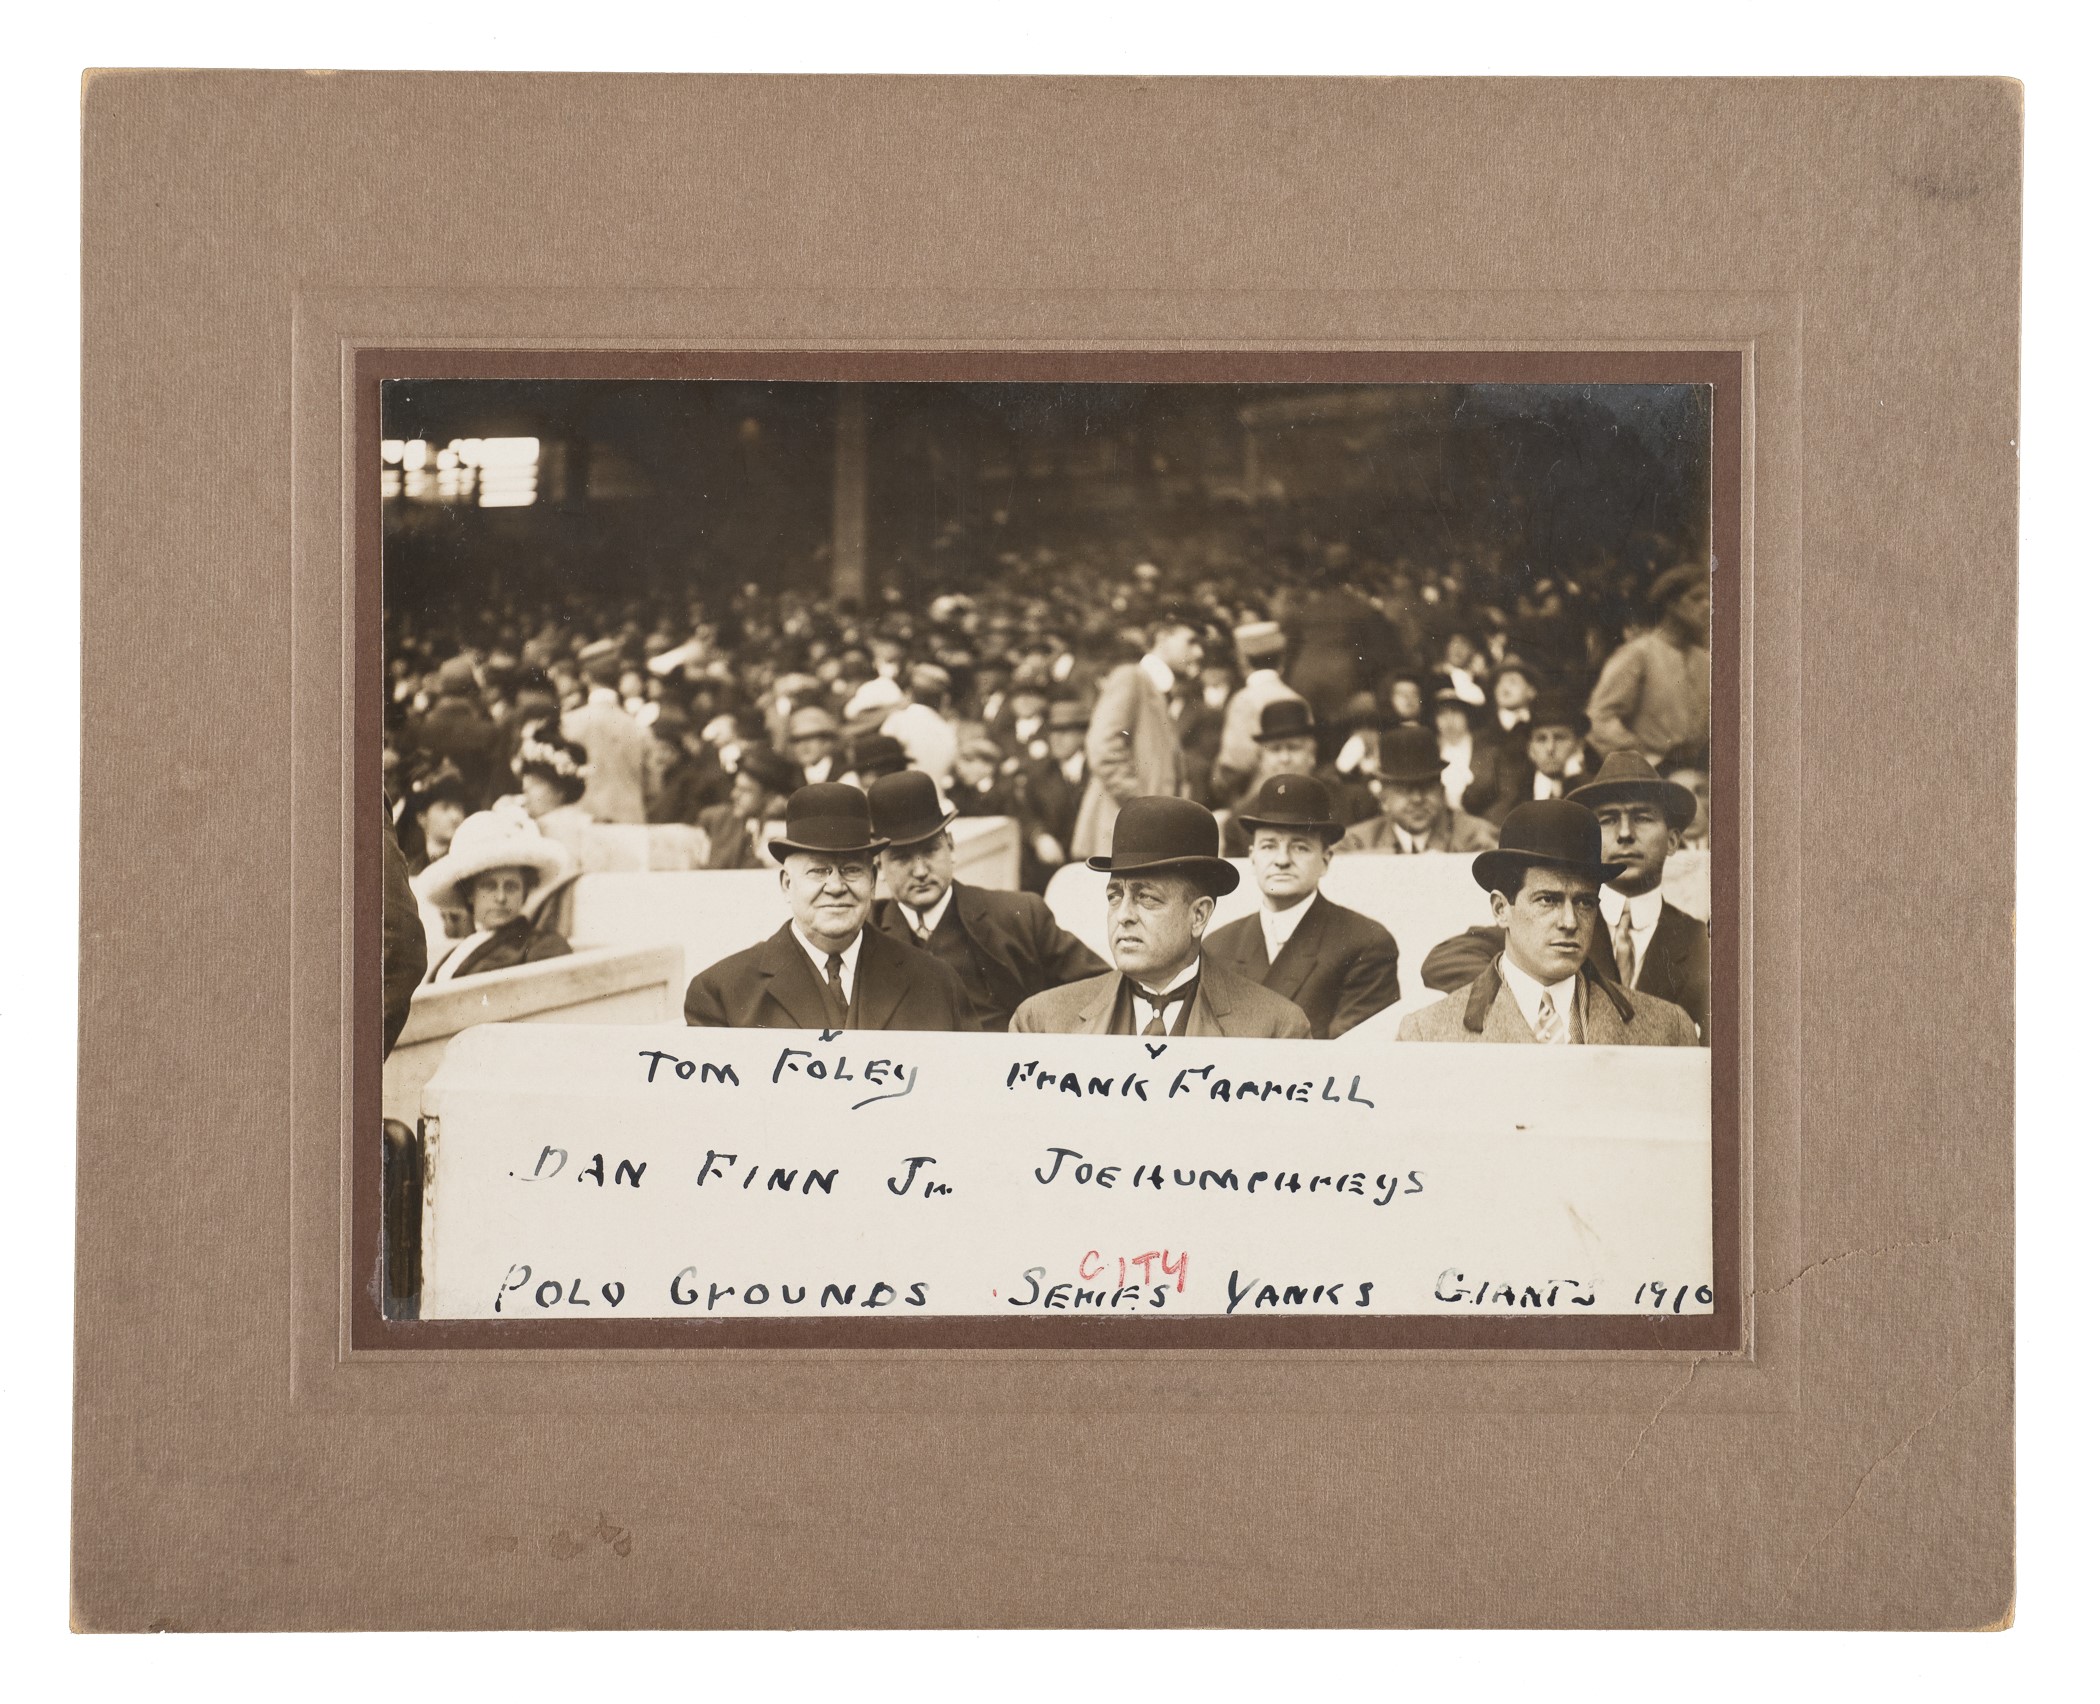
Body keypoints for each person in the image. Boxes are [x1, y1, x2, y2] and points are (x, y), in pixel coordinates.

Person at [1396, 800, 1698, 1045]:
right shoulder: (1426, 1034)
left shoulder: (1668, 1028)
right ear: (1501, 909)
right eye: (1547, 900)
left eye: (1584, 902)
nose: (1569, 922)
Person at [684, 782, 977, 1031]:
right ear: (787, 884)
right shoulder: (723, 993)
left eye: (851, 870)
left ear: (873, 881)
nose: (836, 887)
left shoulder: (936, 983)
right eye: (818, 871)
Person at [1012, 796, 1311, 1038]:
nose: (1124, 915)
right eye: (1115, 896)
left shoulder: (1275, 1030)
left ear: (1199, 915)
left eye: (1147, 898)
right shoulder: (1041, 1023)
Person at [867, 771, 1105, 1033]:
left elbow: (1103, 988)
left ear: (950, 845)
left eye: (930, 850)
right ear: (878, 866)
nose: (921, 870)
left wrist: (1040, 1028)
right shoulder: (865, 935)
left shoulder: (1019, 916)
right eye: (902, 859)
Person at [1204, 774, 1400, 1039]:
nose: (1282, 860)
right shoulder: (1217, 947)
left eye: (1300, 847)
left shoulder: (1365, 943)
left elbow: (1352, 1057)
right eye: (1269, 846)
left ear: (1326, 860)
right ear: (1252, 857)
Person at [1569, 751, 1711, 1041]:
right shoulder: (1561, 925)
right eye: (1608, 820)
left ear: (1672, 841)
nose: (1625, 833)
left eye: (1642, 817)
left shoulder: (1701, 942)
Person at [1071, 611, 1200, 858]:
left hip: (1143, 835)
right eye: (1190, 641)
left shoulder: (1159, 689)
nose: (1198, 653)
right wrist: (1142, 806)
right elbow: (1102, 746)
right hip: (1119, 831)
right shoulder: (1131, 677)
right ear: (1162, 638)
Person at [413, 810, 575, 983]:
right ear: (470, 894)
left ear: (524, 892)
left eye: (511, 887)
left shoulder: (542, 947)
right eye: (489, 887)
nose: (501, 897)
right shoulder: (457, 952)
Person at [1586, 561, 1713, 766]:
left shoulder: (1704, 660)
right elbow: (1599, 718)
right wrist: (1643, 759)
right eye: (1696, 598)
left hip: (1697, 774)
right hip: (1651, 776)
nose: (1707, 606)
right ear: (1671, 604)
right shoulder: (1638, 654)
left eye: (1709, 599)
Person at [1337, 726, 1498, 855]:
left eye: (1427, 787)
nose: (1417, 799)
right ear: (1383, 798)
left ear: (1442, 791)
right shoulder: (1355, 846)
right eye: (1404, 789)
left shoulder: (1477, 840)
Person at [1218, 698, 1322, 856]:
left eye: (1294, 748)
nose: (1285, 758)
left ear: (1312, 754)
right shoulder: (1240, 821)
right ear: (1261, 759)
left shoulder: (1351, 802)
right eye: (1275, 749)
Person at [562, 640, 651, 823]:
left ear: (585, 676)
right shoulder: (639, 727)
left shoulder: (568, 723)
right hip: (630, 826)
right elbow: (653, 787)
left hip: (584, 824)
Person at [1211, 620, 1300, 800]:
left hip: (1255, 799)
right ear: (1281, 659)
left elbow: (1235, 764)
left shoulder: (1244, 701)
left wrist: (1217, 785)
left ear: (1243, 660)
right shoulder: (1296, 698)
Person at [1018, 698, 1091, 892]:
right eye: (1053, 731)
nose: (1056, 739)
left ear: (1083, 735)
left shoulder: (1096, 773)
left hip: (1091, 867)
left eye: (1065, 731)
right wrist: (1039, 837)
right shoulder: (1040, 773)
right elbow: (1025, 813)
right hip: (1052, 871)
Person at [696, 745, 801, 870]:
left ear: (771, 797)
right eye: (736, 787)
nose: (734, 795)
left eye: (745, 790)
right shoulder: (725, 819)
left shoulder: (781, 829)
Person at [785, 704, 844, 785]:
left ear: (827, 741)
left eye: (810, 738)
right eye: (797, 740)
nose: (804, 746)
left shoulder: (845, 775)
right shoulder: (790, 779)